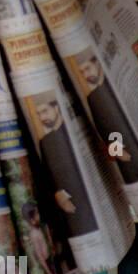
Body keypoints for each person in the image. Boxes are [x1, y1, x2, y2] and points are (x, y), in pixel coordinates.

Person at [75, 52, 138, 183]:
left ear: (97, 64)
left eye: (88, 68)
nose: (86, 75)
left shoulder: (116, 84)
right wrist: (118, 151)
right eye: (82, 72)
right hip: (133, 163)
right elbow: (107, 132)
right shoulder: (93, 98)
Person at [33, 94, 97, 236]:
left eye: (45, 111)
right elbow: (45, 179)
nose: (42, 117)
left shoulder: (77, 127)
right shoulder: (46, 142)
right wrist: (57, 194)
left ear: (56, 108)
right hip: (74, 211)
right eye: (39, 114)